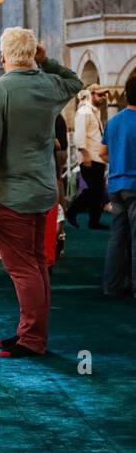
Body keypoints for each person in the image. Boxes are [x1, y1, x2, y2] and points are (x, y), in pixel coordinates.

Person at [0, 28, 84, 358]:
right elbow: (75, 80)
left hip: (11, 195)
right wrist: (46, 61)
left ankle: (32, 339)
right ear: (34, 53)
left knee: (23, 269)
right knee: (35, 265)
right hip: (44, 191)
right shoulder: (49, 85)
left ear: (2, 56)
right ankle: (29, 332)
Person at [102, 77, 136, 298]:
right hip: (135, 185)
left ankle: (111, 286)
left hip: (115, 185)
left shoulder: (114, 121)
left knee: (117, 236)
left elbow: (102, 153)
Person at [67, 87, 108, 229]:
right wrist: (86, 156)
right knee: (95, 190)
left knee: (97, 191)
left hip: (97, 157)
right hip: (90, 157)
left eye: (104, 95)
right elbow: (79, 136)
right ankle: (72, 211)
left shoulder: (93, 111)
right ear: (92, 94)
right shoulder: (84, 111)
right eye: (100, 94)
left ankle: (94, 221)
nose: (103, 97)